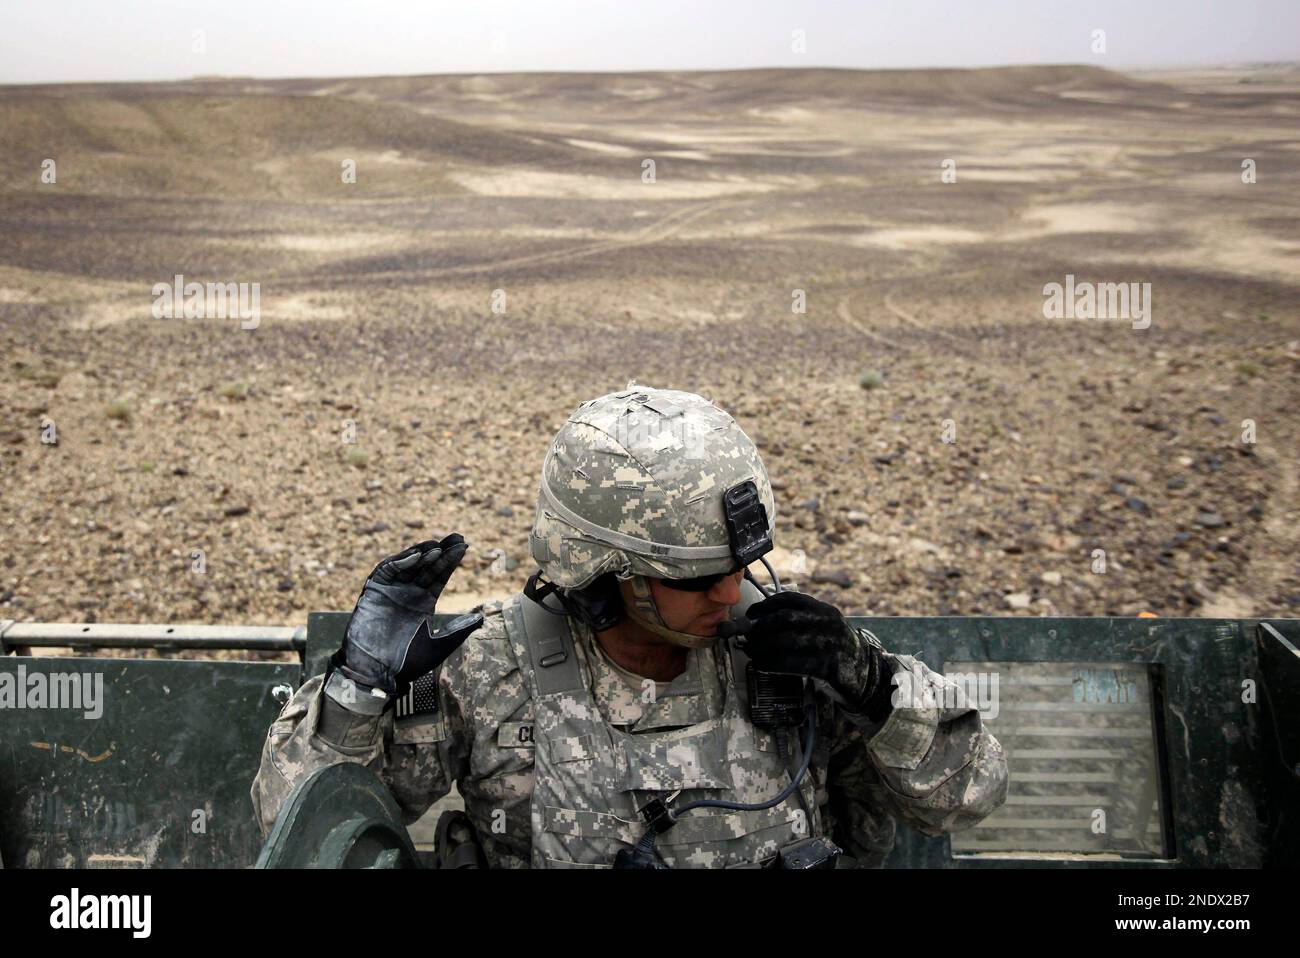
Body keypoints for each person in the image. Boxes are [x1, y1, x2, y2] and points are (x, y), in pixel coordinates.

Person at [252, 386, 1007, 868]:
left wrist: (876, 688)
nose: (731, 591)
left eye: (740, 565)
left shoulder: (800, 655)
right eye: (696, 577)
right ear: (601, 573)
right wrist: (355, 694)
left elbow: (969, 796)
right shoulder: (491, 670)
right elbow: (299, 828)